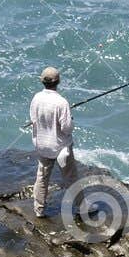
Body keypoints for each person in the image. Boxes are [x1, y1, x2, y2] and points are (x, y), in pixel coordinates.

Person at [29, 66, 78, 217]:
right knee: (71, 178)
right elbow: (67, 129)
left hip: (42, 145)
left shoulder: (36, 98)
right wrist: (71, 120)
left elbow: (33, 119)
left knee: (42, 178)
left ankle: (39, 209)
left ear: (42, 81)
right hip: (61, 148)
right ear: (58, 81)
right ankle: (82, 208)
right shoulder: (61, 102)